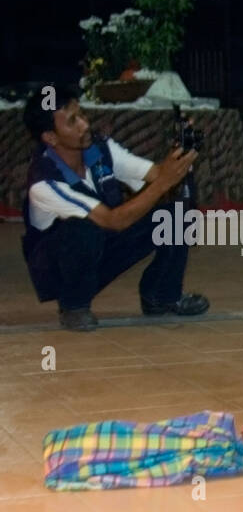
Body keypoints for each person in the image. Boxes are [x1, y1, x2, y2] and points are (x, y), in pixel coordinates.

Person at [20, 87, 209, 331]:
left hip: (102, 245)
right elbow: (112, 220)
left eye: (82, 115)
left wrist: (182, 154)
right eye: (72, 121)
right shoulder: (44, 182)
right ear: (51, 137)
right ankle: (74, 305)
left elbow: (156, 176)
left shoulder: (99, 149)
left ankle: (161, 295)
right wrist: (164, 181)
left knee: (178, 205)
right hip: (62, 269)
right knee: (81, 230)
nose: (84, 124)